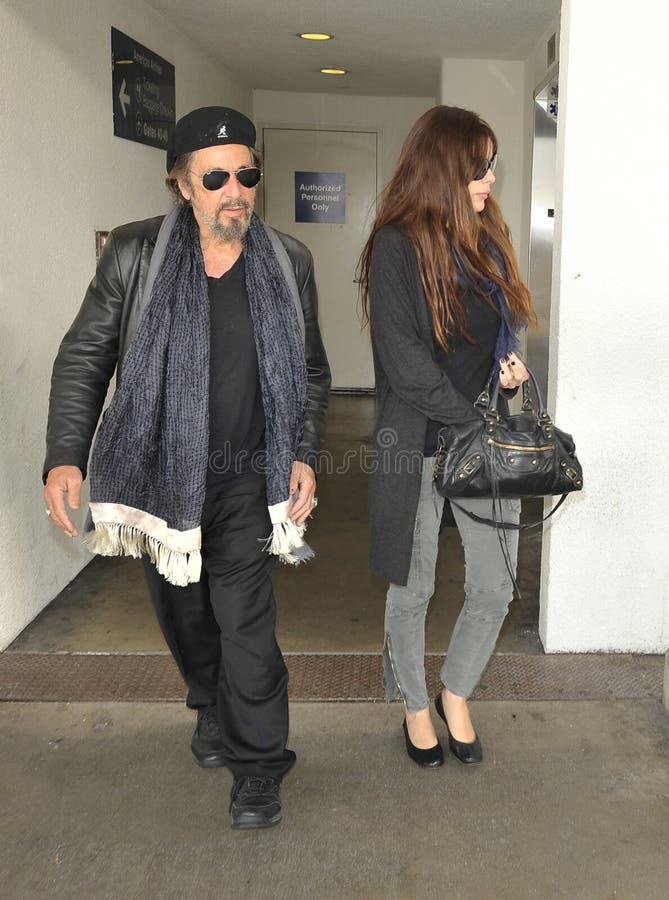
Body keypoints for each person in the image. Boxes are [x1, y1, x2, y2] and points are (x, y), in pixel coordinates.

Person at [43, 106, 331, 826]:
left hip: (248, 480)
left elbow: (312, 371)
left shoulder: (288, 260)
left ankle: (259, 767)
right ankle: (208, 704)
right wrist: (64, 456)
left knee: (246, 628)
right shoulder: (134, 254)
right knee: (187, 618)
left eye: (247, 173)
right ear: (181, 183)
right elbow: (86, 355)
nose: (235, 189)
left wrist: (302, 452)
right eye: (215, 176)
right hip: (157, 480)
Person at [358, 105, 536, 768]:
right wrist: (471, 419)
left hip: (484, 441)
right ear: (445, 167)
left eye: (491, 165)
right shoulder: (395, 246)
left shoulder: (486, 235)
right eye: (479, 165)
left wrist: (507, 364)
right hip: (417, 443)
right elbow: (403, 362)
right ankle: (412, 704)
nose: (490, 177)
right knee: (413, 587)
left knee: (494, 586)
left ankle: (455, 693)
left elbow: (503, 323)